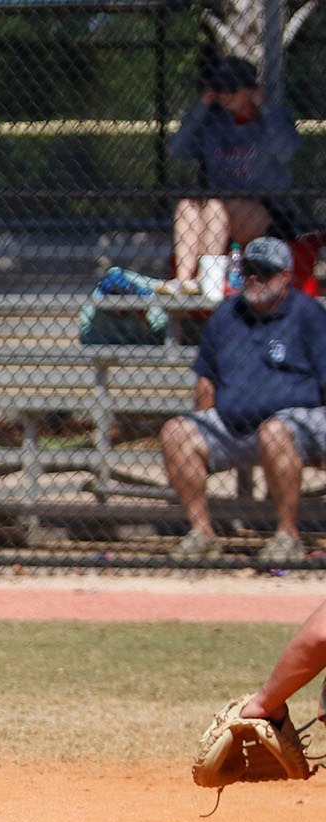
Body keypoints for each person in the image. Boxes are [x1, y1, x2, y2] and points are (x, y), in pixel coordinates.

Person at [161, 237, 326, 564]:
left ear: (285, 277)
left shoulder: (307, 314)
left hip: (298, 425)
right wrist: (201, 426)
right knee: (176, 432)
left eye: (263, 272)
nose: (253, 278)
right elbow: (206, 380)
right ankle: (201, 534)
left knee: (275, 431)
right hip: (235, 425)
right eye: (248, 270)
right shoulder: (227, 314)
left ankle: (287, 536)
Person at [163, 55, 301, 294]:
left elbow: (287, 152)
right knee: (187, 205)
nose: (224, 95)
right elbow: (176, 150)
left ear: (250, 90)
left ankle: (210, 285)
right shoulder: (214, 122)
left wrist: (265, 108)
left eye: (232, 88)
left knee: (218, 205)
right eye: (219, 88)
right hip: (219, 209)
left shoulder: (271, 119)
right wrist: (202, 107)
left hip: (268, 213)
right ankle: (183, 281)